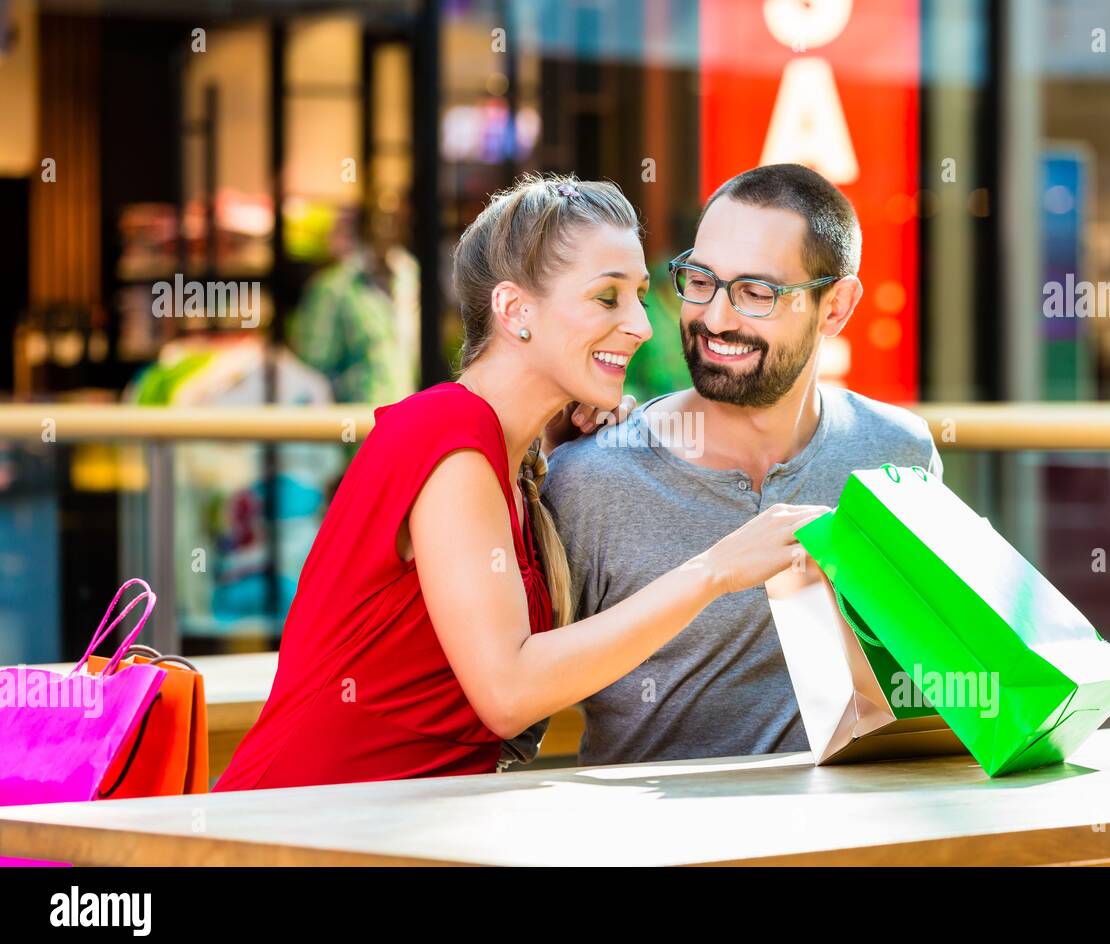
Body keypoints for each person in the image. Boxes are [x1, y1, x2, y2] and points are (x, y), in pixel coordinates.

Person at [213, 173, 825, 790]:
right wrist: (713, 570)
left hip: (389, 826)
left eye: (641, 296)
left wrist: (557, 445)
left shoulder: (516, 460)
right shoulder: (448, 434)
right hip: (302, 827)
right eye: (607, 298)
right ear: (513, 311)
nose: (641, 325)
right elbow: (508, 692)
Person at [544, 163, 943, 766]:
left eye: (757, 293)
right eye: (701, 281)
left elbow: (935, 675)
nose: (717, 318)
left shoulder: (898, 458)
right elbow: (512, 701)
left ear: (836, 308)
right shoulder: (591, 478)